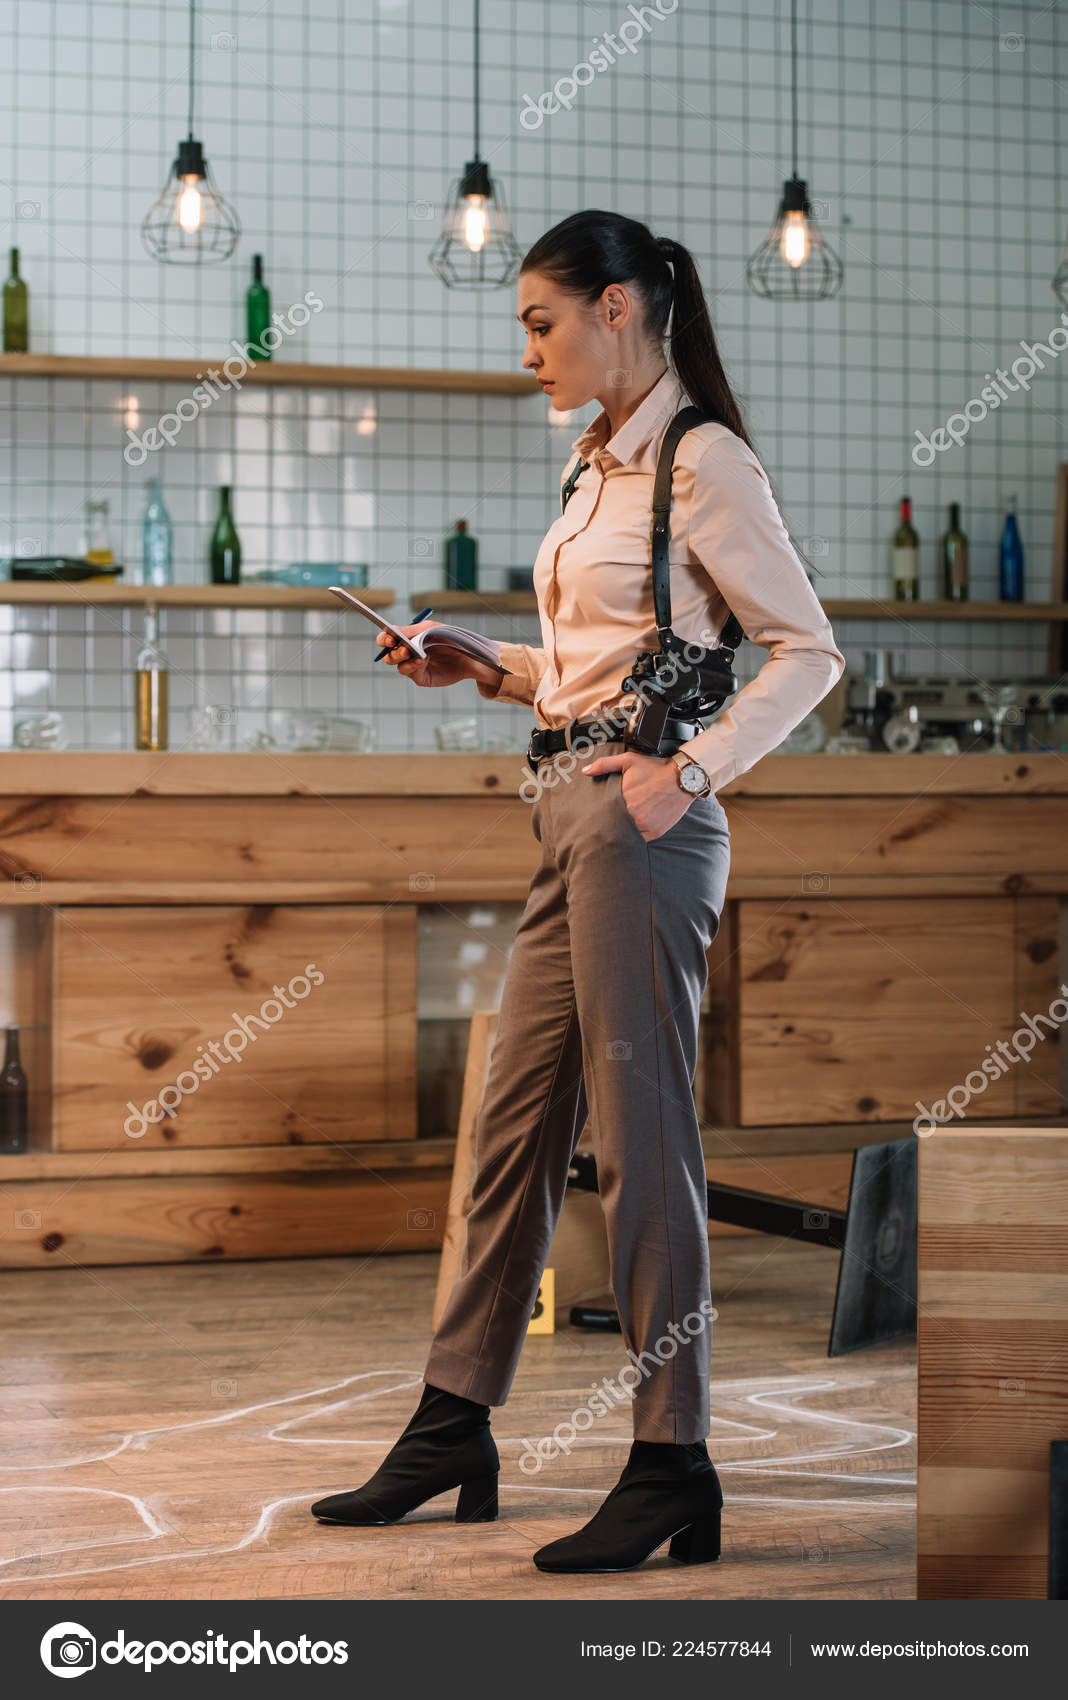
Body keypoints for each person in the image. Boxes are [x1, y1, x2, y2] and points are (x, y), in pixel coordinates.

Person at [311, 210, 845, 1573]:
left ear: (619, 308)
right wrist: (482, 661)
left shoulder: (699, 460)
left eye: (541, 323)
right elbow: (595, 676)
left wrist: (694, 774)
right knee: (507, 1130)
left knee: (639, 1137)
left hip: (643, 828)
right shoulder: (590, 474)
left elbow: (806, 652)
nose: (530, 352)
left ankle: (674, 1459)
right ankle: (454, 1423)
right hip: (565, 820)